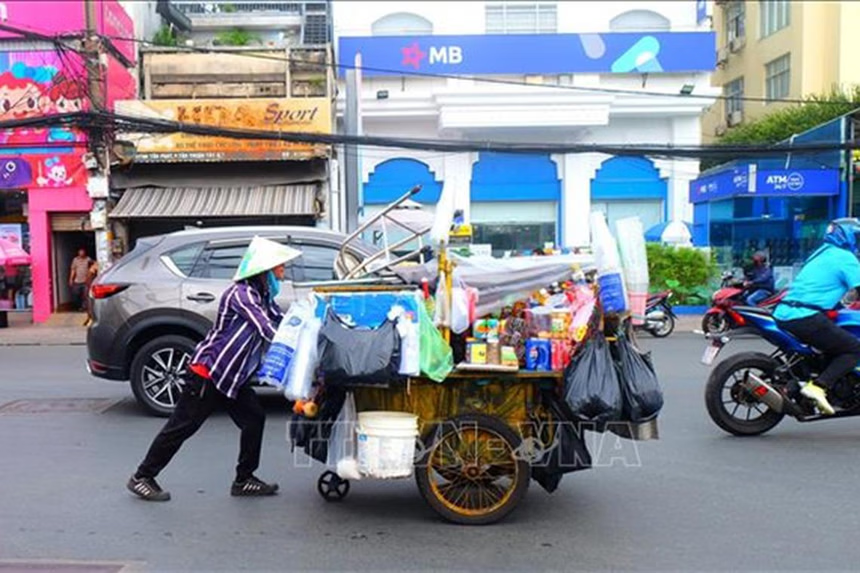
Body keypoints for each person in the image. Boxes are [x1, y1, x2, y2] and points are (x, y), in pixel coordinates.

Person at [127, 237, 301, 501]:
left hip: (232, 377)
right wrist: (297, 348)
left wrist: (306, 327)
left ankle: (244, 479)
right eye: (279, 266)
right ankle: (142, 477)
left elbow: (281, 320)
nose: (283, 271)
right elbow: (268, 329)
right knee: (182, 427)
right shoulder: (242, 294)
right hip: (208, 373)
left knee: (254, 418)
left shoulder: (263, 295)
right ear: (264, 269)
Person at [773, 219, 860, 415]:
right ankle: (819, 386)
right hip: (805, 316)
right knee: (854, 350)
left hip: (784, 313)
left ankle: (806, 393)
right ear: (846, 236)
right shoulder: (845, 257)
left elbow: (821, 287)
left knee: (829, 345)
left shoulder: (820, 253)